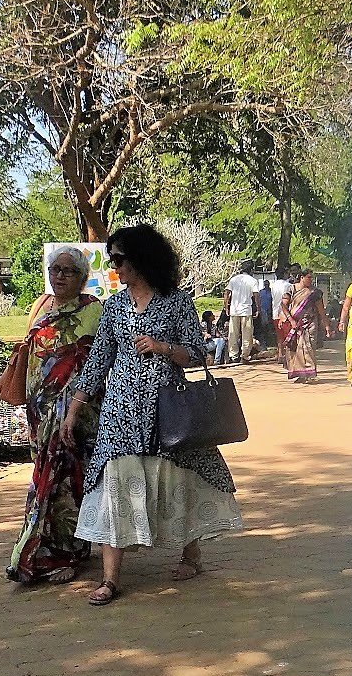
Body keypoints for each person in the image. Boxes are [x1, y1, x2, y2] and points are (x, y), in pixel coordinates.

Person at [61, 225, 243, 606]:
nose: (115, 268)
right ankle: (111, 580)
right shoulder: (113, 307)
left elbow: (197, 354)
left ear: (142, 259)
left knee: (179, 480)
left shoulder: (176, 302)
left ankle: (191, 554)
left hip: (168, 407)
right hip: (121, 412)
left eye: (120, 260)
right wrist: (74, 409)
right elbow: (99, 362)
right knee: (115, 485)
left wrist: (162, 347)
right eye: (112, 261)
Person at [0, 246, 103, 585]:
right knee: (49, 475)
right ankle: (68, 548)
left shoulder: (94, 311)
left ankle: (51, 554)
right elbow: (21, 353)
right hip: (40, 412)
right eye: (55, 269)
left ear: (82, 277)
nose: (60, 276)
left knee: (63, 480)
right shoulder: (41, 306)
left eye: (68, 271)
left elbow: (104, 360)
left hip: (77, 413)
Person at [280, 269, 333, 383]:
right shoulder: (291, 289)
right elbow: (283, 305)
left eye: (311, 278)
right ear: (301, 277)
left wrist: (327, 326)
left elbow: (321, 310)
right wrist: (290, 320)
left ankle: (310, 374)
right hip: (295, 324)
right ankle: (300, 374)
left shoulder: (314, 293)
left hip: (310, 323)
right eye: (308, 277)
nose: (310, 280)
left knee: (309, 347)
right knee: (294, 349)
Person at [223, 261, 261, 364]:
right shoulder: (252, 280)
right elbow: (256, 295)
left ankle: (233, 356)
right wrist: (258, 308)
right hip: (246, 310)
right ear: (251, 270)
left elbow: (226, 293)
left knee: (233, 334)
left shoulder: (233, 279)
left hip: (234, 310)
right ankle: (245, 355)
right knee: (247, 335)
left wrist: (226, 307)